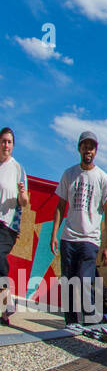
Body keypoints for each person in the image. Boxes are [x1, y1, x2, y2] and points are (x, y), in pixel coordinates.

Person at [50, 132, 107, 326]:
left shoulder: (103, 178)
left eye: (91, 147)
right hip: (68, 237)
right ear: (79, 148)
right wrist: (54, 234)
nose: (88, 150)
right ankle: (70, 324)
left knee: (85, 281)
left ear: (96, 151)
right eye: (85, 146)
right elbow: (60, 206)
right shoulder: (69, 174)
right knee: (69, 283)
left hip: (90, 239)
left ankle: (92, 320)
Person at [0, 127, 30, 325]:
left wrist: (21, 193)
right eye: (3, 141)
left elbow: (25, 201)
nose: (6, 145)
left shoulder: (18, 169)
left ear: (13, 145)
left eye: (9, 142)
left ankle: (7, 302)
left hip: (7, 225)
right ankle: (4, 309)